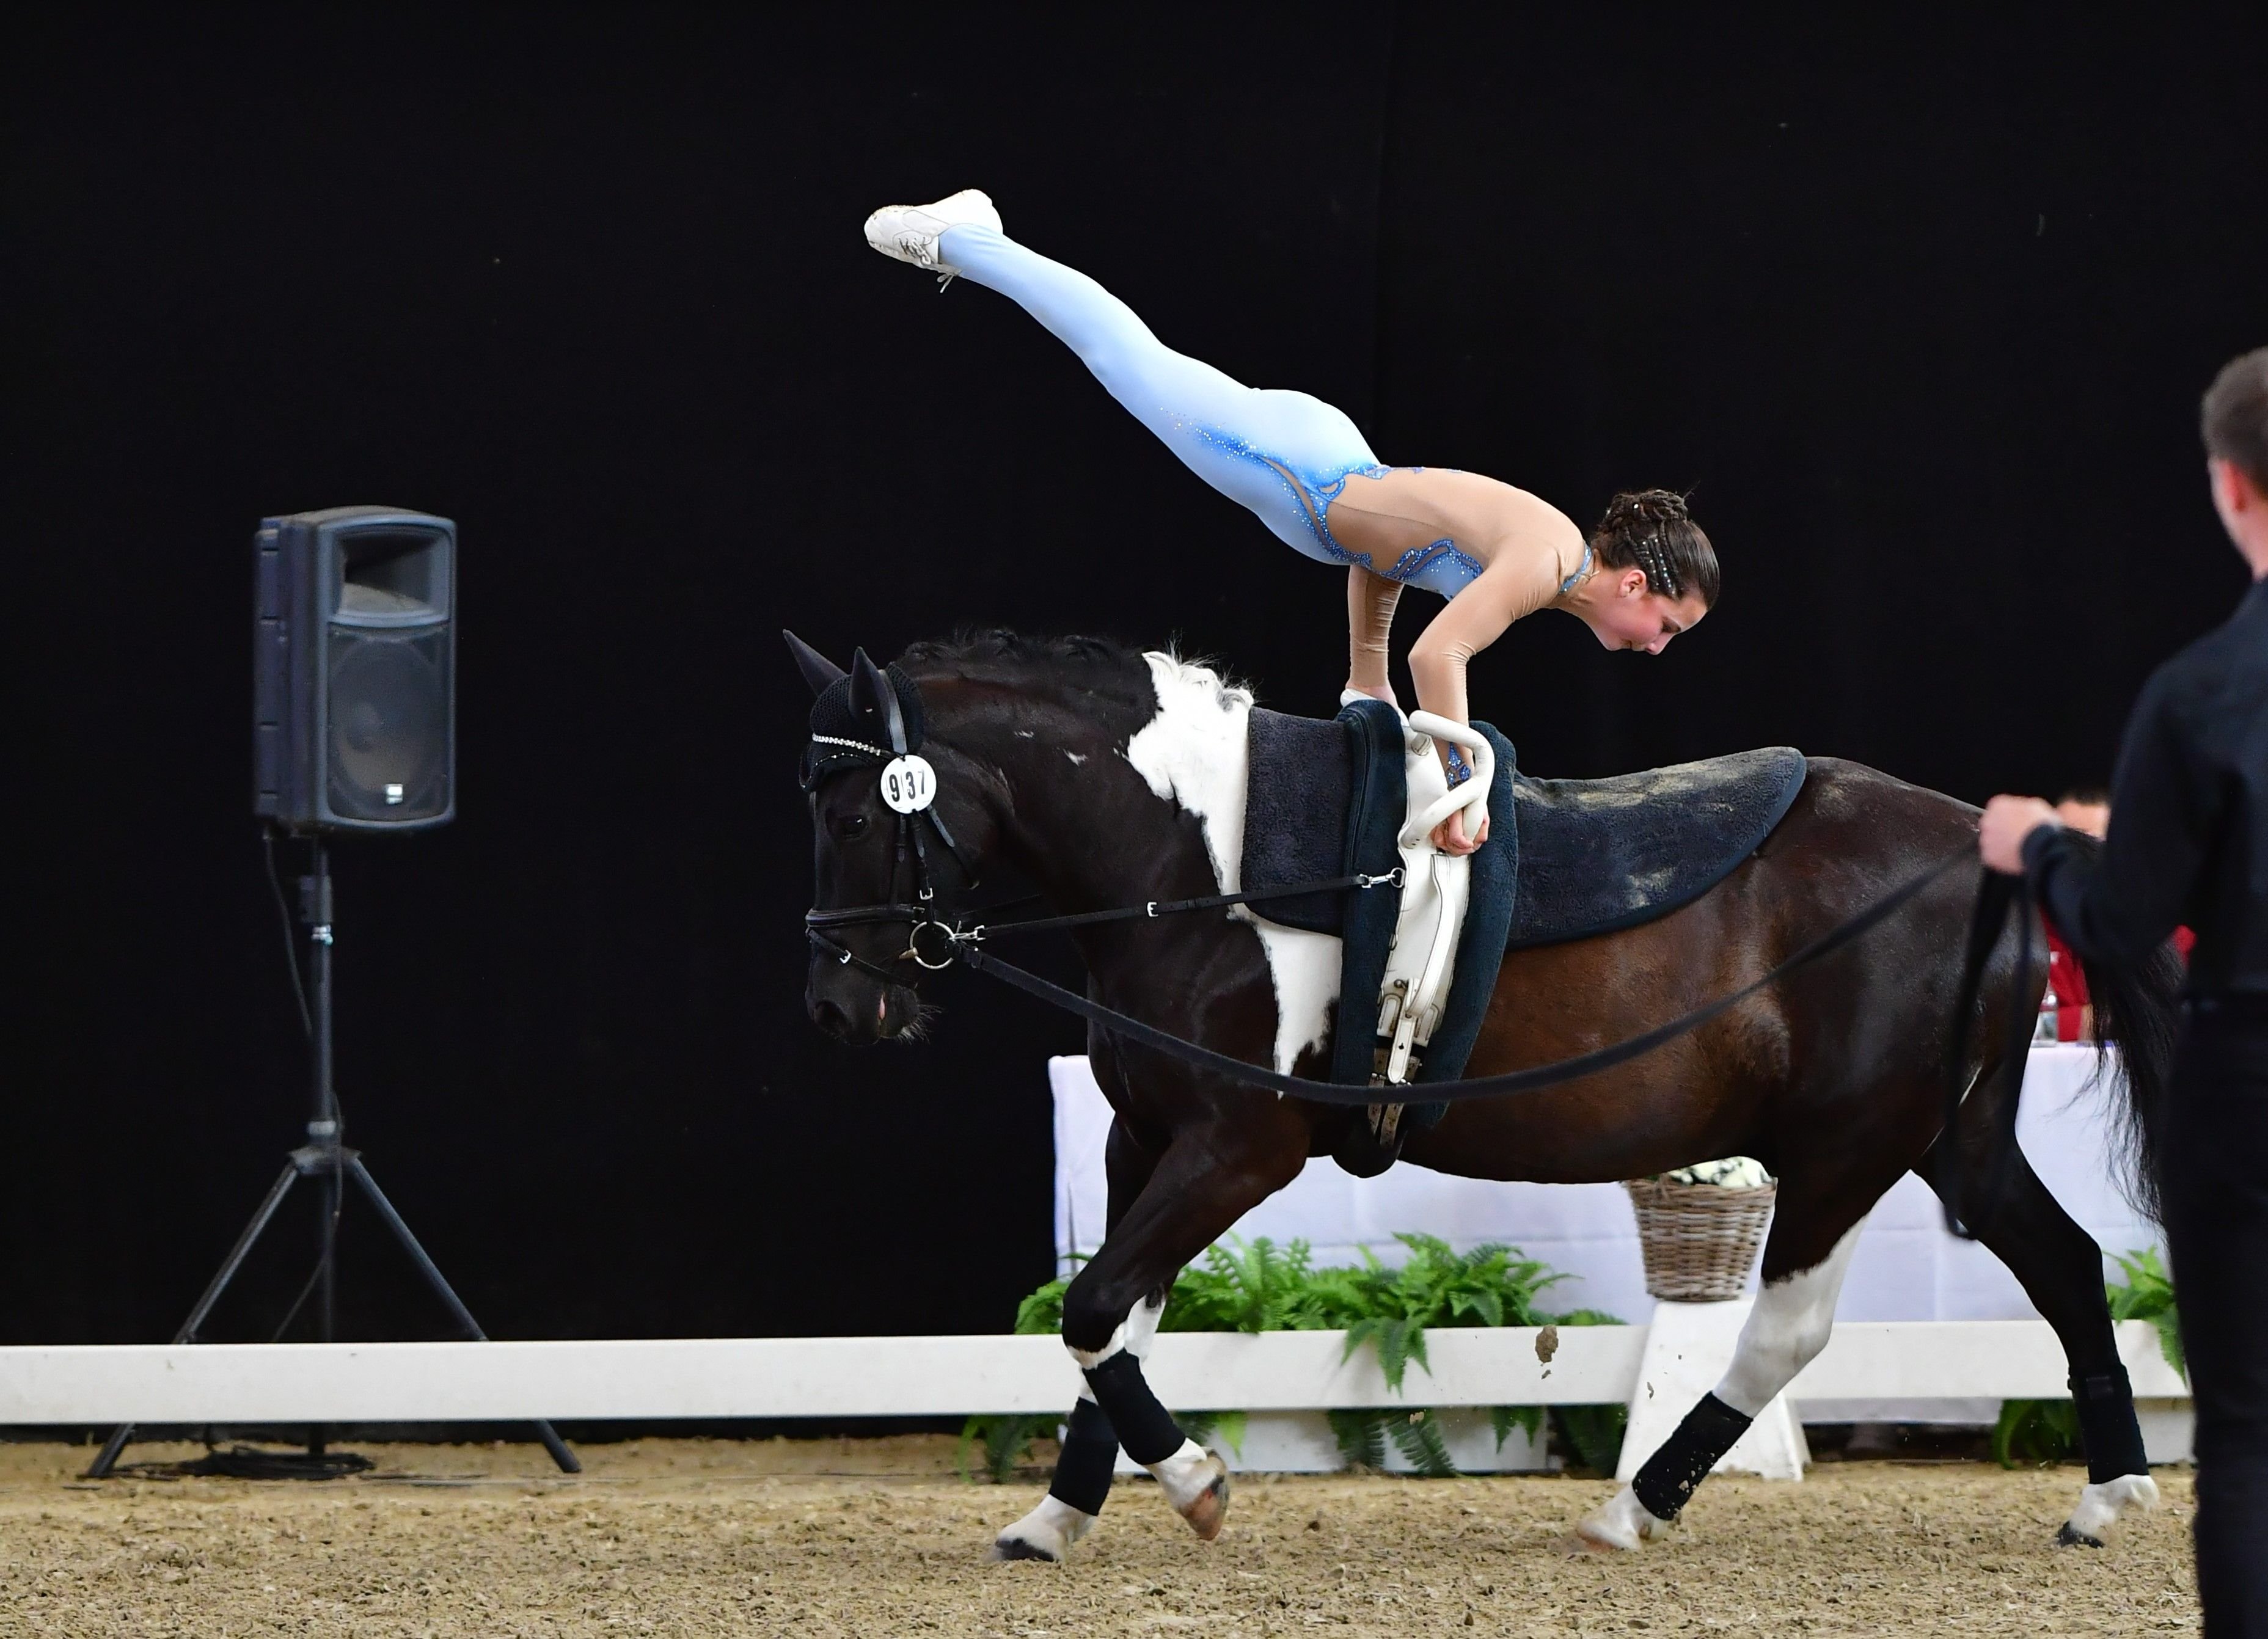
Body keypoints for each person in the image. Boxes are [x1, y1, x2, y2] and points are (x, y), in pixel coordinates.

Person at [861, 189, 1720, 853]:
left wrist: (1366, 677)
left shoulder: (1548, 567)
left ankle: (979, 242)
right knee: (1123, 355)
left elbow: (1391, 551)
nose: (1658, 645)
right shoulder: (1544, 560)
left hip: (1324, 477)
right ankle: (970, 238)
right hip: (1291, 465)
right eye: (1667, 625)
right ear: (1637, 582)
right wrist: (1461, 779)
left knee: (1130, 357)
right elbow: (1444, 652)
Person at [1979, 346, 2268, 1634]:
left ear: (2228, 487)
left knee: (2249, 1438)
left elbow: (2117, 918)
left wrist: (2037, 842)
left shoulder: (2199, 696)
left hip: (2248, 1080)